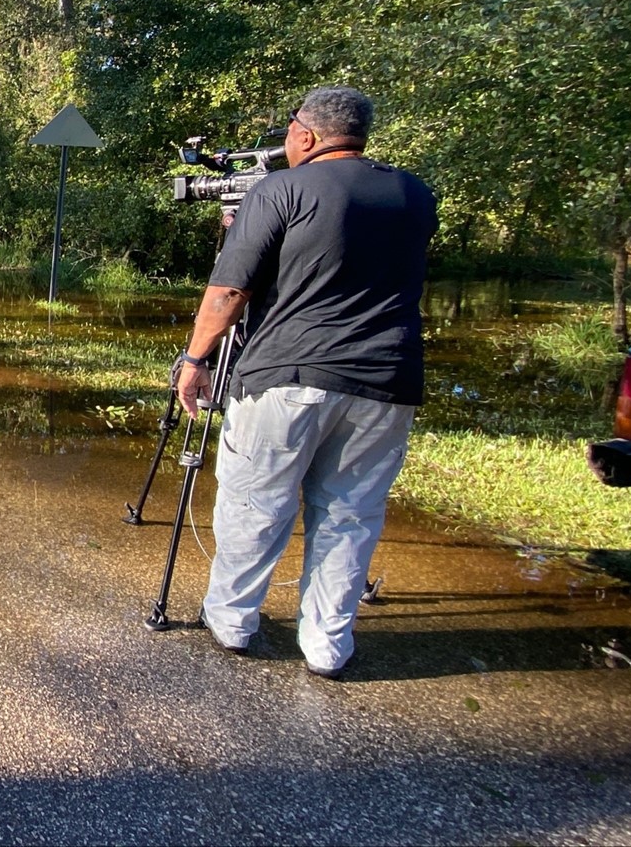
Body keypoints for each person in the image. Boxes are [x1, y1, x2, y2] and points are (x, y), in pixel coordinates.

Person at [174, 85, 437, 679]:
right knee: (351, 513)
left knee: (255, 501)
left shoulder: (281, 190)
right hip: (386, 381)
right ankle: (326, 645)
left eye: (291, 127)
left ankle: (233, 621)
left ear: (307, 135)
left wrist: (195, 360)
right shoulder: (413, 194)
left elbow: (230, 291)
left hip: (287, 374)